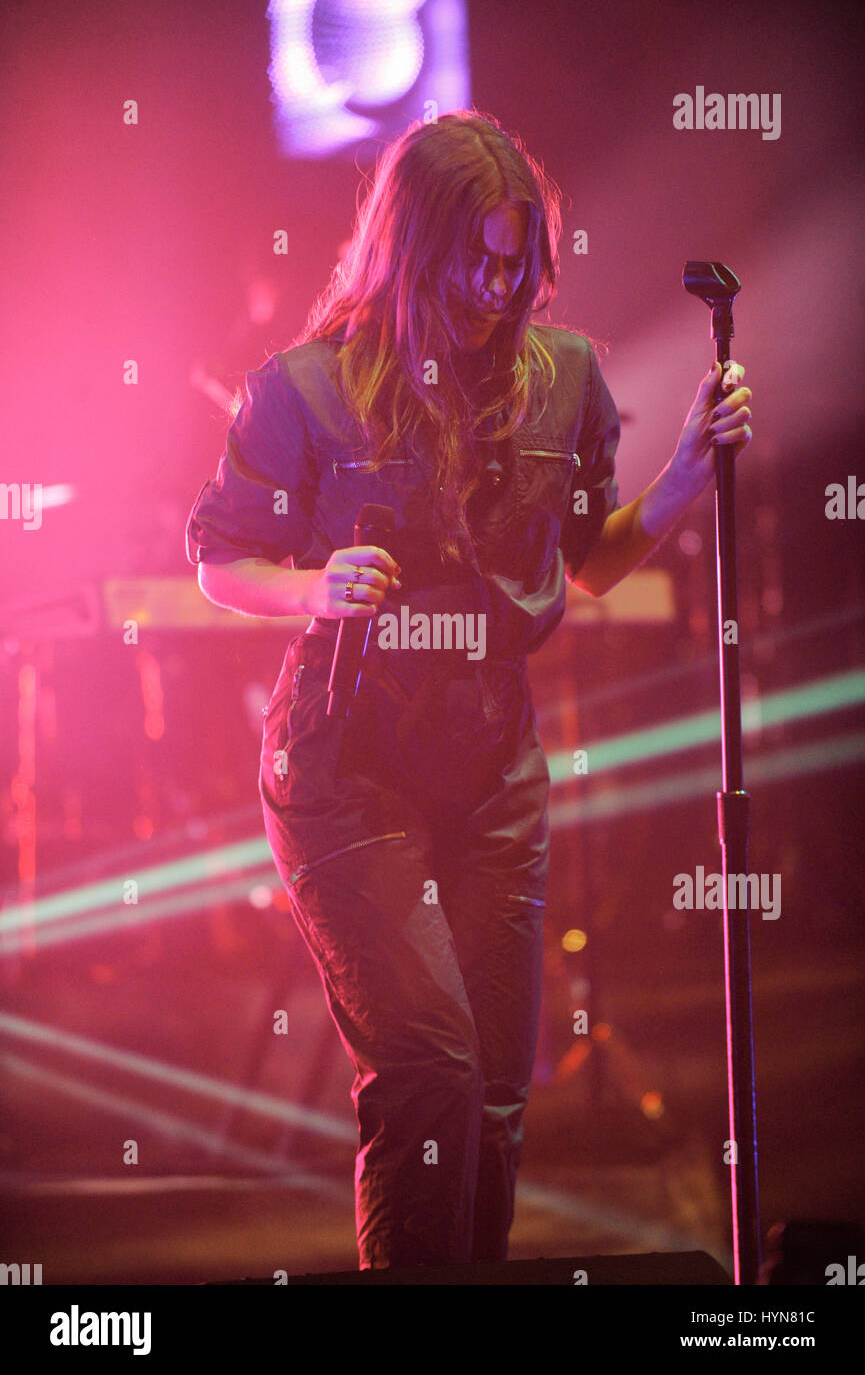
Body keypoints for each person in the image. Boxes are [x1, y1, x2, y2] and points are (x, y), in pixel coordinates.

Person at [185, 110, 752, 1270]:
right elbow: (216, 560)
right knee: (431, 1068)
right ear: (409, 245)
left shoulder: (567, 377)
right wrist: (312, 588)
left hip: (493, 768)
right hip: (345, 768)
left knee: (495, 1093)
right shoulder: (302, 390)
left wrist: (687, 471)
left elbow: (589, 562)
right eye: (478, 258)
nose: (501, 286)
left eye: (519, 260)